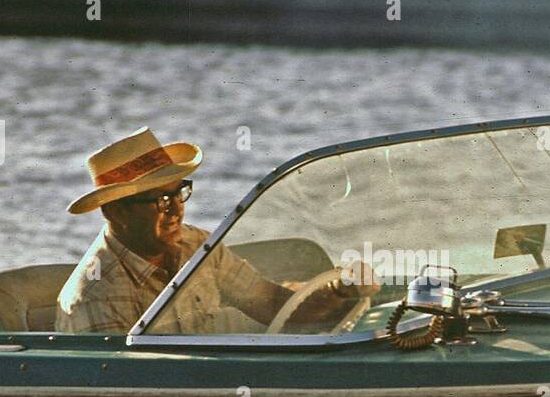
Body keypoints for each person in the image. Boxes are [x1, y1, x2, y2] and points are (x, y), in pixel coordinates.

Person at [57, 127, 374, 335]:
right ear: (115, 211)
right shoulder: (96, 294)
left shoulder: (196, 245)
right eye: (159, 199)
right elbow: (126, 389)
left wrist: (338, 288)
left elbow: (271, 302)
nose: (176, 208)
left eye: (179, 193)